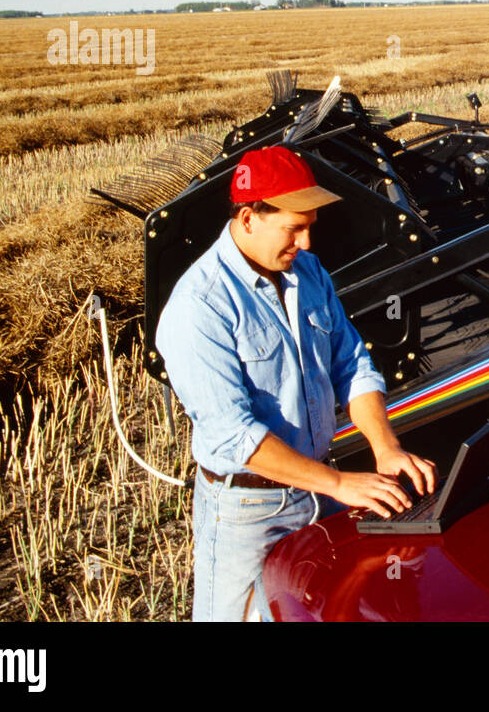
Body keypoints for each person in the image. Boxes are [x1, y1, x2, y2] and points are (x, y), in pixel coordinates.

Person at [156, 144, 435, 621]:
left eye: (310, 228)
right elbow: (233, 435)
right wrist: (338, 483)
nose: (306, 243)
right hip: (248, 511)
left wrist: (385, 447)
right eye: (293, 228)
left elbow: (351, 363)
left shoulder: (307, 272)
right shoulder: (199, 308)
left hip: (319, 493)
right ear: (248, 219)